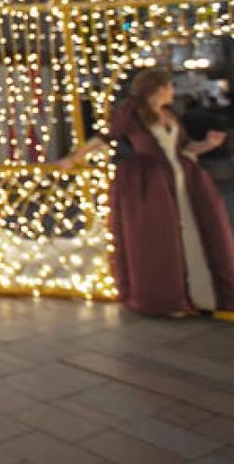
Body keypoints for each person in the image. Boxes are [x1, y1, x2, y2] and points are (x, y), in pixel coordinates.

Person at [57, 68, 234, 315]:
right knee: (163, 237)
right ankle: (168, 298)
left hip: (184, 179)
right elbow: (103, 138)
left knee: (192, 231)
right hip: (152, 183)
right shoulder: (132, 114)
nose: (173, 91)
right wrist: (75, 158)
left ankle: (200, 295)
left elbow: (185, 148)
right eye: (169, 86)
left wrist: (208, 144)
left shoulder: (170, 114)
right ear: (158, 89)